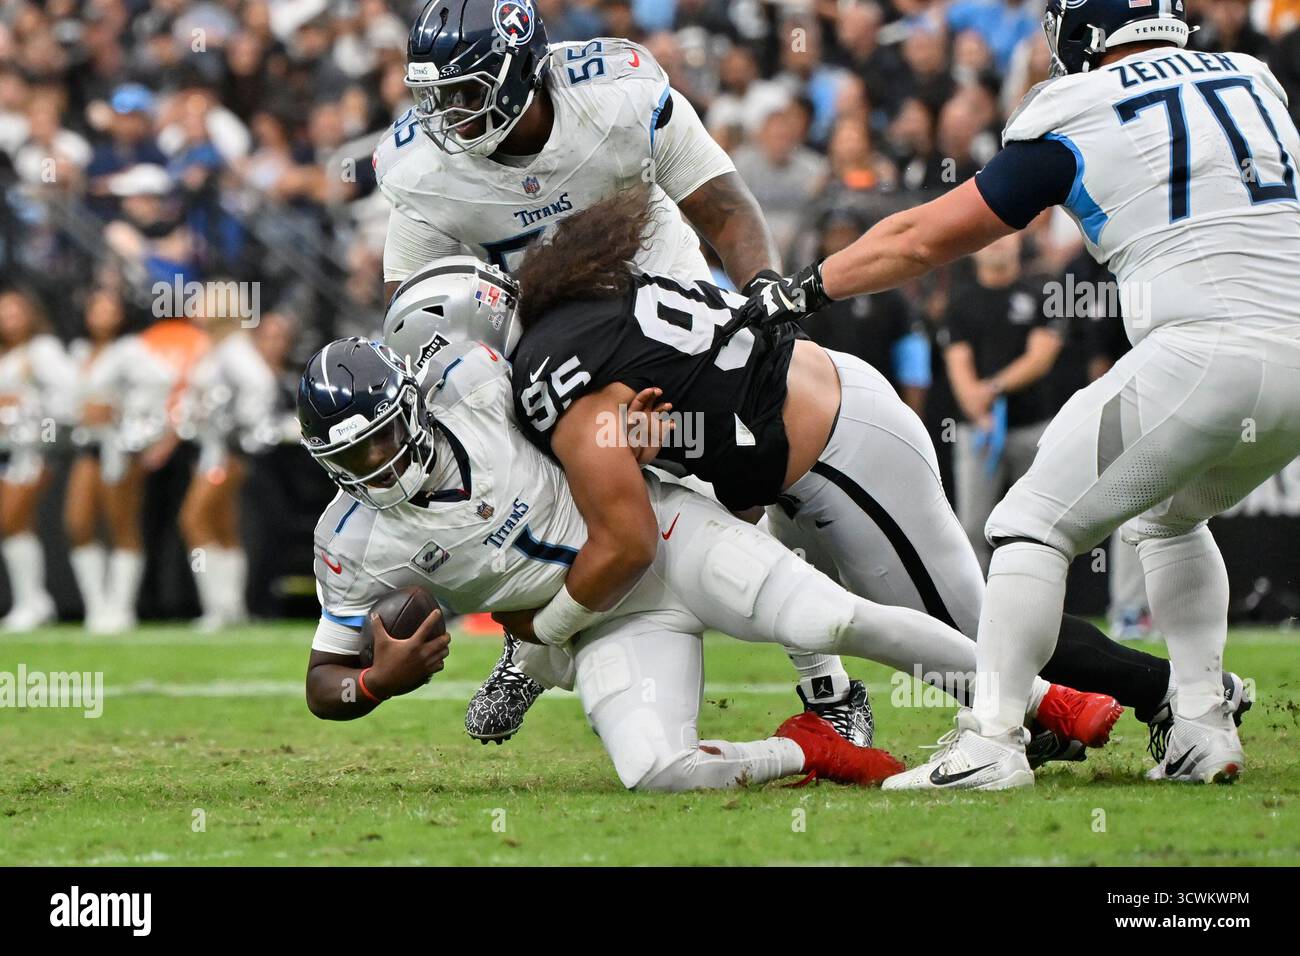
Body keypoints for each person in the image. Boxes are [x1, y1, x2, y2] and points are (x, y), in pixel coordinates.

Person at [386, 230, 1257, 773]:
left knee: (981, 624)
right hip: (804, 443)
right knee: (936, 622)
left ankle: (1178, 693)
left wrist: (545, 638)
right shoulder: (571, 316)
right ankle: (1070, 717)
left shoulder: (551, 373)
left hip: (839, 450)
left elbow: (626, 539)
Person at [739, 0, 1296, 787]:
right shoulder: (1254, 79)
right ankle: (1202, 725)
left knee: (1030, 525)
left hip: (1204, 348)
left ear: (1081, 31)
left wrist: (806, 288)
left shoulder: (1078, 104)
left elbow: (927, 235)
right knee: (1172, 515)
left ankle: (994, 740)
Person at [376, 0, 863, 742]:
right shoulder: (425, 170)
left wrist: (760, 282)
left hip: (659, 302)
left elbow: (724, 205)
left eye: (466, 95)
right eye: (435, 98)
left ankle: (828, 687)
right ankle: (533, 649)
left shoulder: (616, 95)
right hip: (547, 341)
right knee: (541, 498)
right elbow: (412, 309)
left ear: (516, 77)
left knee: (734, 488)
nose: (447, 117)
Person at [298, 336, 908, 792]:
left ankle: (843, 692)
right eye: (352, 456)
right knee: (655, 769)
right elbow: (323, 683)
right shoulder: (352, 538)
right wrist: (376, 682)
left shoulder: (478, 381)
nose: (377, 464)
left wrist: (628, 440)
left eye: (379, 439)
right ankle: (533, 656)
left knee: (756, 498)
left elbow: (573, 402)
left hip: (644, 532)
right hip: (583, 610)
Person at [942, 232, 1064, 572]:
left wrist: (990, 389)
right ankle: (975, 617)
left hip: (1033, 427)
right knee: (973, 528)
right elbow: (958, 366)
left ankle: (1043, 613)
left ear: (1019, 241)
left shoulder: (1039, 293)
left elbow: (1041, 357)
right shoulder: (960, 303)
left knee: (1040, 527)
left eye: (1005, 235)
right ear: (972, 251)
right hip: (979, 428)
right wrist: (976, 407)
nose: (996, 242)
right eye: (988, 237)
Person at [65, 289, 177, 633]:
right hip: (87, 444)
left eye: (109, 309)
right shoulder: (78, 351)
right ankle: (97, 605)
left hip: (118, 445)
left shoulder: (130, 349)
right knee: (79, 522)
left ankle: (121, 606)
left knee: (122, 523)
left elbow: (163, 380)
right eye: (96, 308)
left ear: (121, 314)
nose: (102, 315)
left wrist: (124, 413)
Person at [0, 289, 74, 630]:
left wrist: (28, 413)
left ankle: (34, 600)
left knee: (13, 518)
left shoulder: (42, 349)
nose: (7, 319)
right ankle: (30, 600)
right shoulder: (7, 355)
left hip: (34, 450)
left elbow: (70, 396)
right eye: (3, 313)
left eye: (14, 312)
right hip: (8, 451)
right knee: (13, 523)